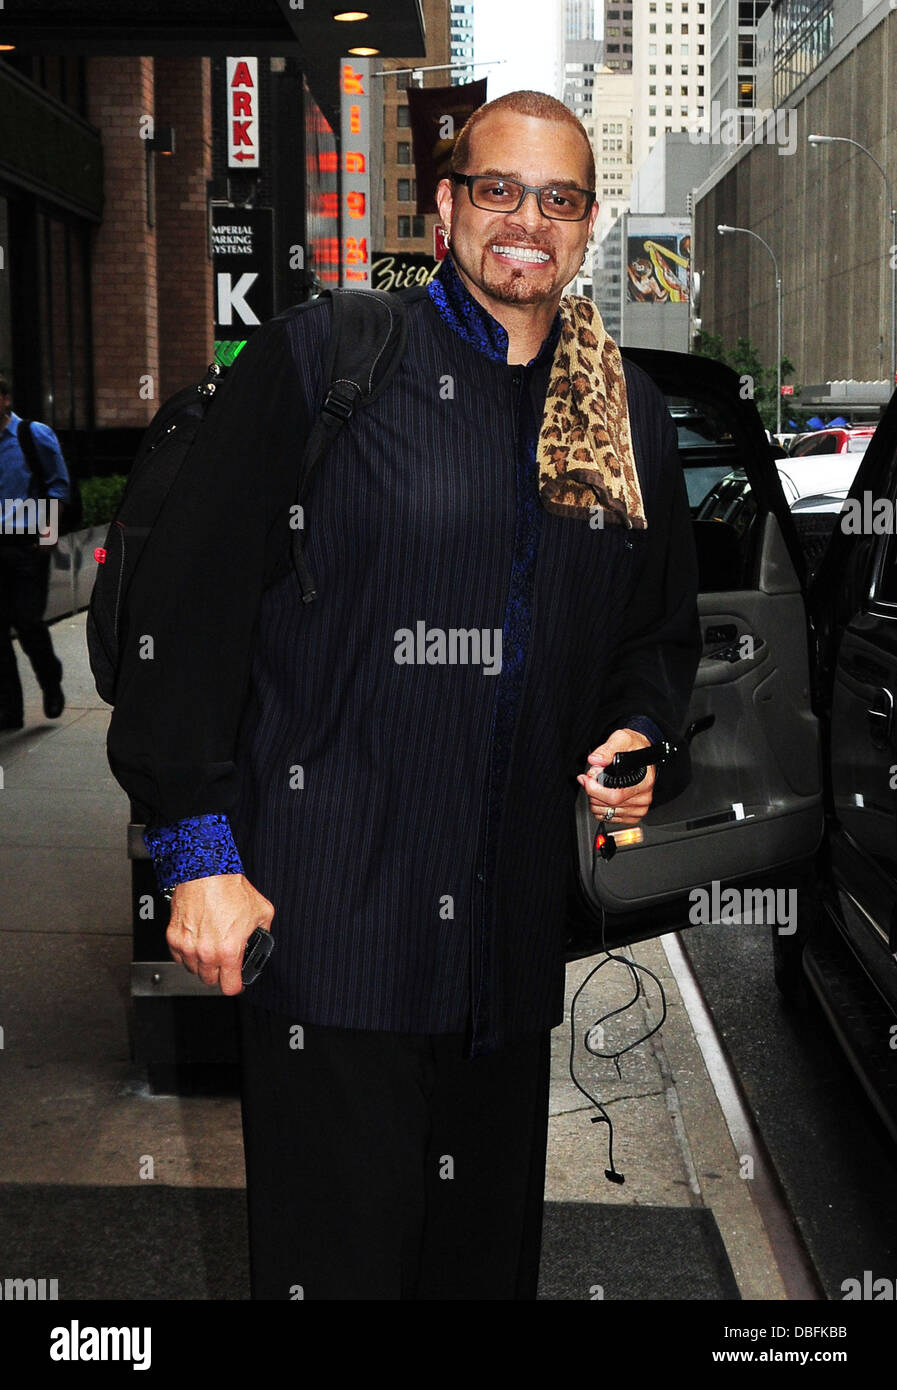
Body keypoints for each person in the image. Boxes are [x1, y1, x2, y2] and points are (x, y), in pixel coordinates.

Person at [106, 90, 701, 1300]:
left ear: (588, 227)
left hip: (504, 953)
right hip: (333, 934)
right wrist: (197, 848)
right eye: (498, 189)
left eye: (561, 198)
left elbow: (657, 631)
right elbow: (187, 618)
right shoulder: (333, 360)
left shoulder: (623, 417)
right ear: (445, 207)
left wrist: (640, 728)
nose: (528, 220)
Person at [0, 375, 69, 730]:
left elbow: (58, 484)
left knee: (28, 623)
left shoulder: (32, 435)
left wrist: (48, 535)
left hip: (27, 545)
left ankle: (50, 680)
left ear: (5, 399)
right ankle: (10, 709)